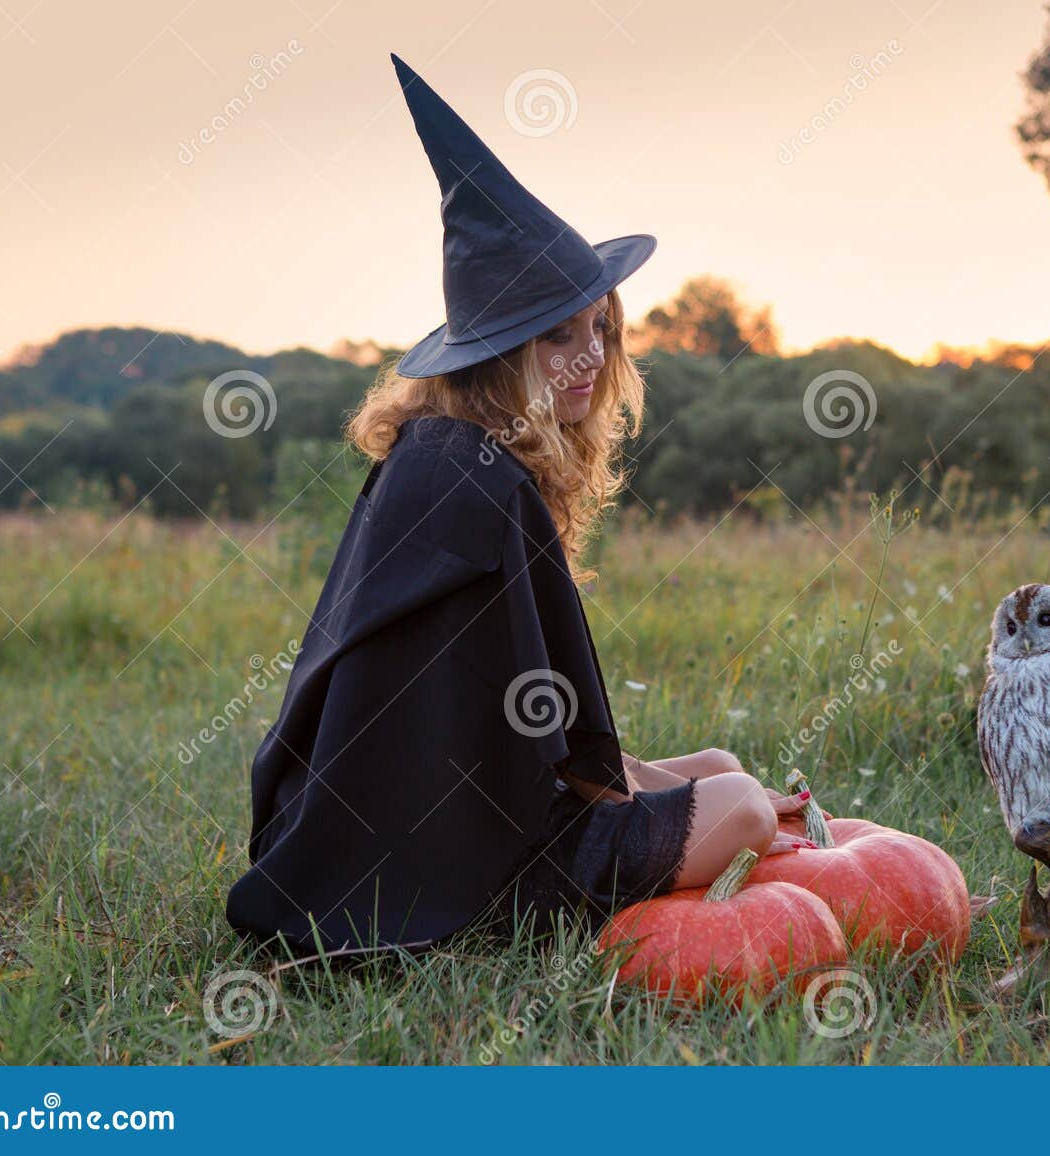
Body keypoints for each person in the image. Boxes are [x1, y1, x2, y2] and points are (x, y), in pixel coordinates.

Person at [225, 55, 812, 956]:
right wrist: (715, 810)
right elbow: (575, 771)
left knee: (719, 769)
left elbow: (545, 735)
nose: (589, 357)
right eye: (555, 335)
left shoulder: (444, 454)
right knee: (736, 804)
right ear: (496, 353)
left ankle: (711, 810)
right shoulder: (477, 481)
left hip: (417, 823)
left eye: (599, 328)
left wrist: (677, 789)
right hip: (442, 866)